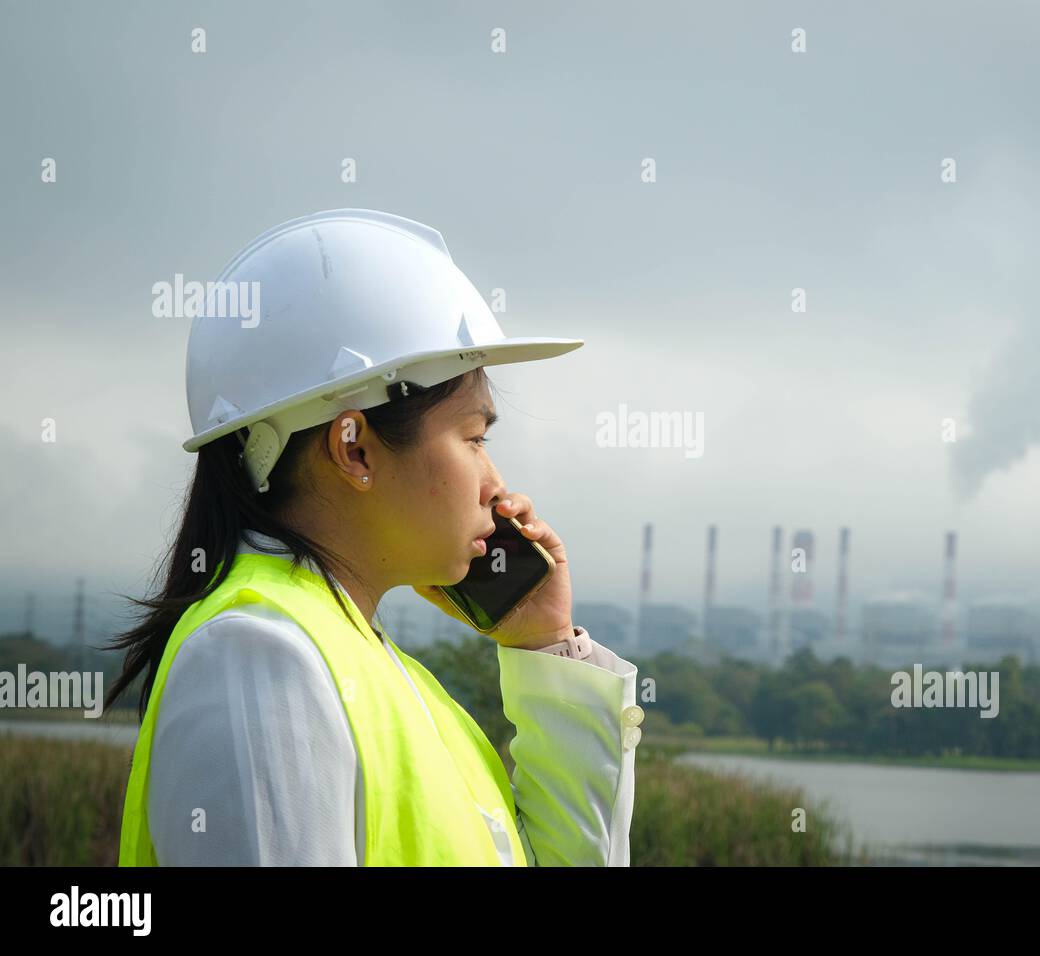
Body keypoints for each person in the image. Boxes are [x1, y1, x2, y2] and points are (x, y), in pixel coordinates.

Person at [106, 209, 642, 866]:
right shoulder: (256, 655)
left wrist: (546, 648)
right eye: (474, 438)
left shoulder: (388, 679)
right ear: (354, 448)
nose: (495, 484)